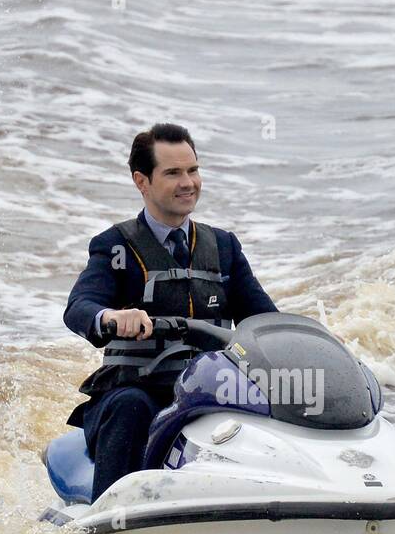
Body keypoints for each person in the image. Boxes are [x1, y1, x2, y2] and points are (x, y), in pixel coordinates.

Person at [63, 123, 279, 501]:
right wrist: (112, 317)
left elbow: (264, 321)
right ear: (141, 181)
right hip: (138, 390)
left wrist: (303, 341)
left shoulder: (223, 246)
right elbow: (79, 308)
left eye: (193, 170)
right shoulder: (115, 246)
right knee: (130, 406)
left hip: (211, 389)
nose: (188, 183)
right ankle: (107, 524)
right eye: (173, 173)